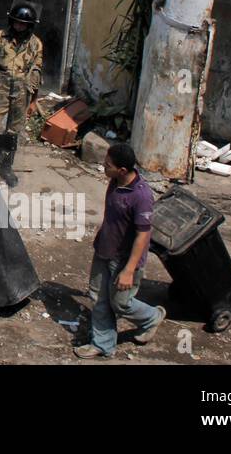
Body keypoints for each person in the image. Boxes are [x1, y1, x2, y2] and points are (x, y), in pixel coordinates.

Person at [75, 142, 166, 359]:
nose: (103, 168)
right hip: (104, 249)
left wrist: (129, 270)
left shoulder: (142, 196)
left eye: (108, 165)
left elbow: (143, 235)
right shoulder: (115, 181)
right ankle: (103, 345)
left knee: (121, 304)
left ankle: (152, 316)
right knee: (98, 297)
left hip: (125, 260)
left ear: (122, 170)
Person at [0, 2, 43, 137]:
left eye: (23, 23)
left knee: (15, 129)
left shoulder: (35, 44)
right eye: (17, 22)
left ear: (30, 25)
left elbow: (36, 74)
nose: (19, 26)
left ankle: (7, 156)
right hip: (1, 88)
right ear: (11, 21)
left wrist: (33, 102)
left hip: (22, 91)